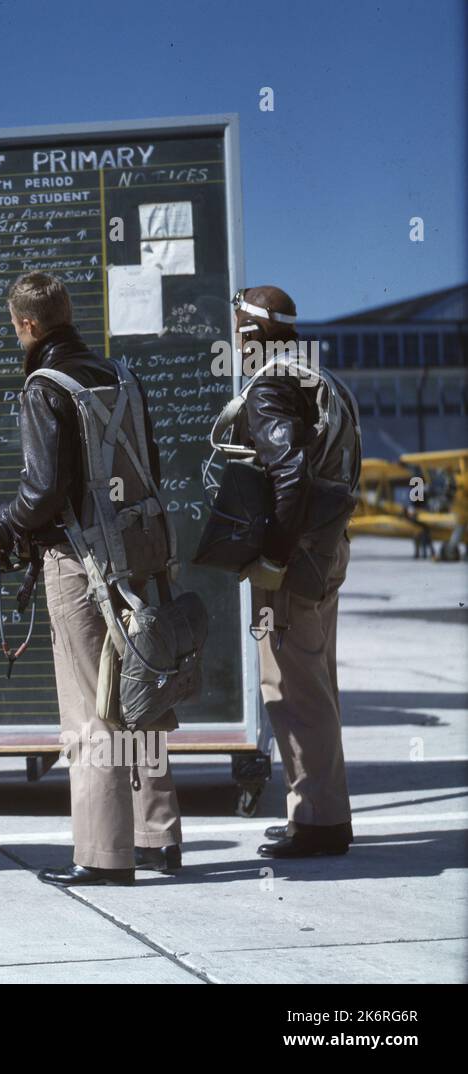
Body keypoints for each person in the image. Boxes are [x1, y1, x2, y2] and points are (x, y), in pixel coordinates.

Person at [0, 272, 182, 887]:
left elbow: (42, 493)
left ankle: (103, 854)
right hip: (141, 552)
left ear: (28, 325)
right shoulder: (123, 377)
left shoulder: (44, 387)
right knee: (144, 691)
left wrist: (1, 523)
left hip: (80, 563)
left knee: (91, 711)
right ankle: (157, 836)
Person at [229, 286, 361, 859]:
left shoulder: (273, 385)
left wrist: (273, 559)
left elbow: (288, 474)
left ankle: (316, 823)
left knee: (292, 687)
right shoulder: (324, 381)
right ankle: (325, 813)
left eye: (237, 326)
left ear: (252, 331)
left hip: (297, 555)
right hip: (330, 547)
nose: (233, 338)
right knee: (317, 681)